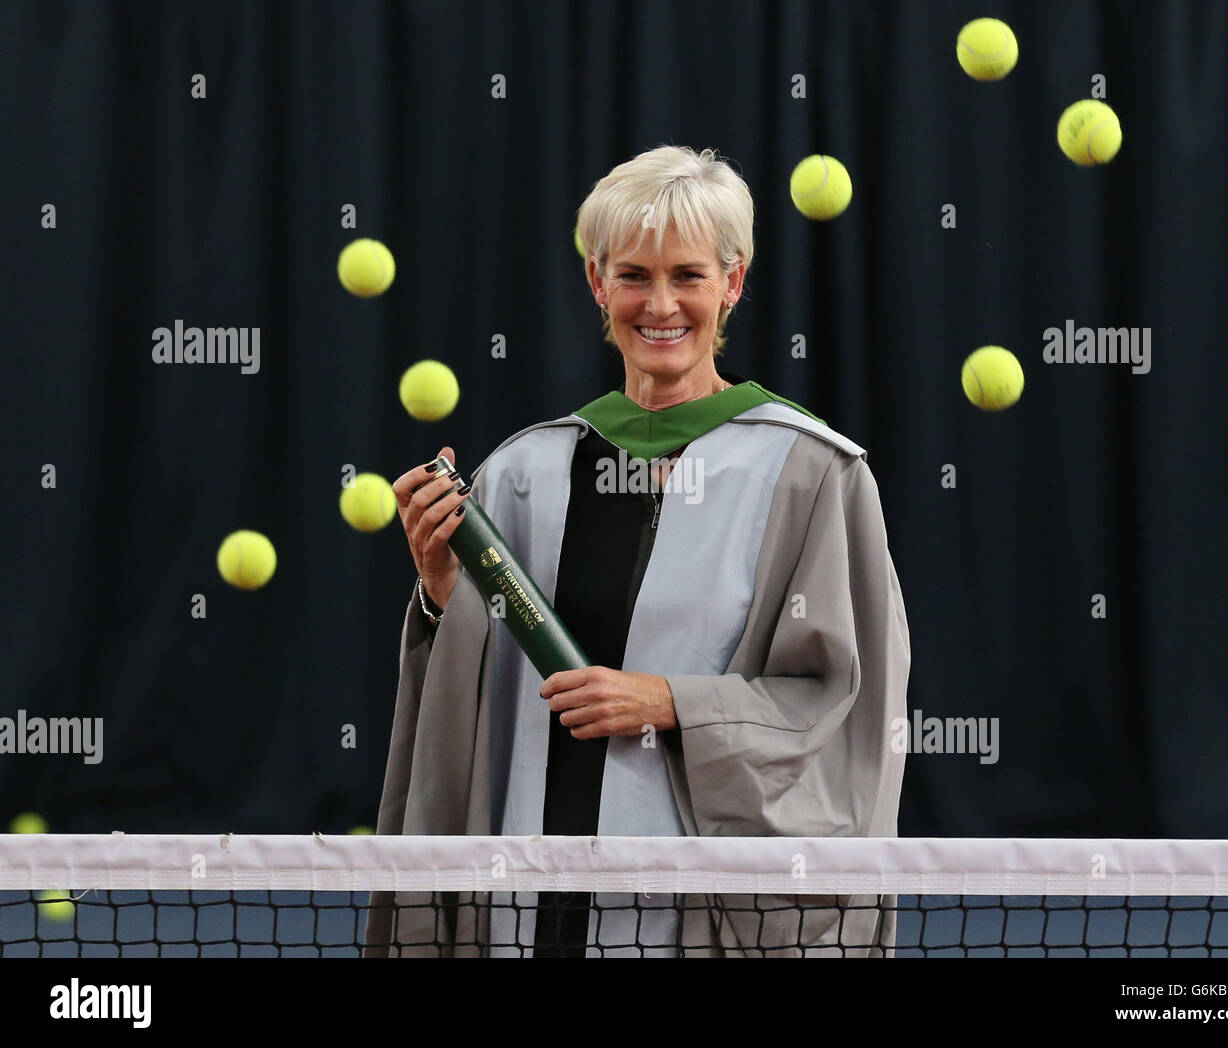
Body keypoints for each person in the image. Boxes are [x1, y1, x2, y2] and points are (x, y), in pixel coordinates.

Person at [365, 145, 911, 957]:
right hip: (529, 897)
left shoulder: (810, 475)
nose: (661, 304)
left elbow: (845, 705)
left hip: (691, 914)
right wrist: (443, 591)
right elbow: (471, 714)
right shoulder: (522, 473)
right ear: (597, 283)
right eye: (634, 276)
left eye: (688, 276)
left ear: (732, 283)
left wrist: (672, 704)